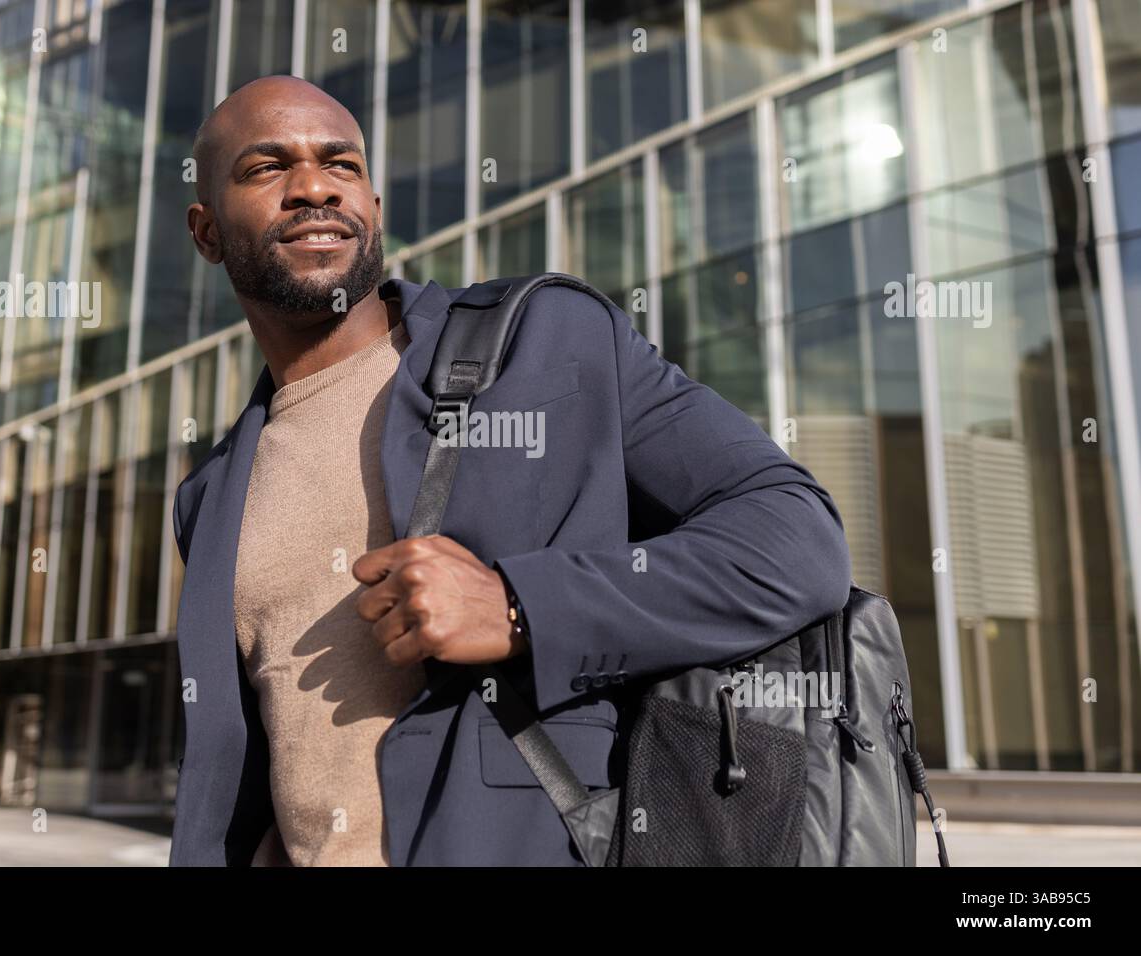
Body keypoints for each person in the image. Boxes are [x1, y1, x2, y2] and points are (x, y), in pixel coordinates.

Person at [169, 75, 852, 866]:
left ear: (375, 208)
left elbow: (798, 541)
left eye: (341, 164)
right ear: (207, 231)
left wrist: (523, 607)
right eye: (266, 168)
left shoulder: (550, 345)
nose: (314, 187)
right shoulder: (211, 494)